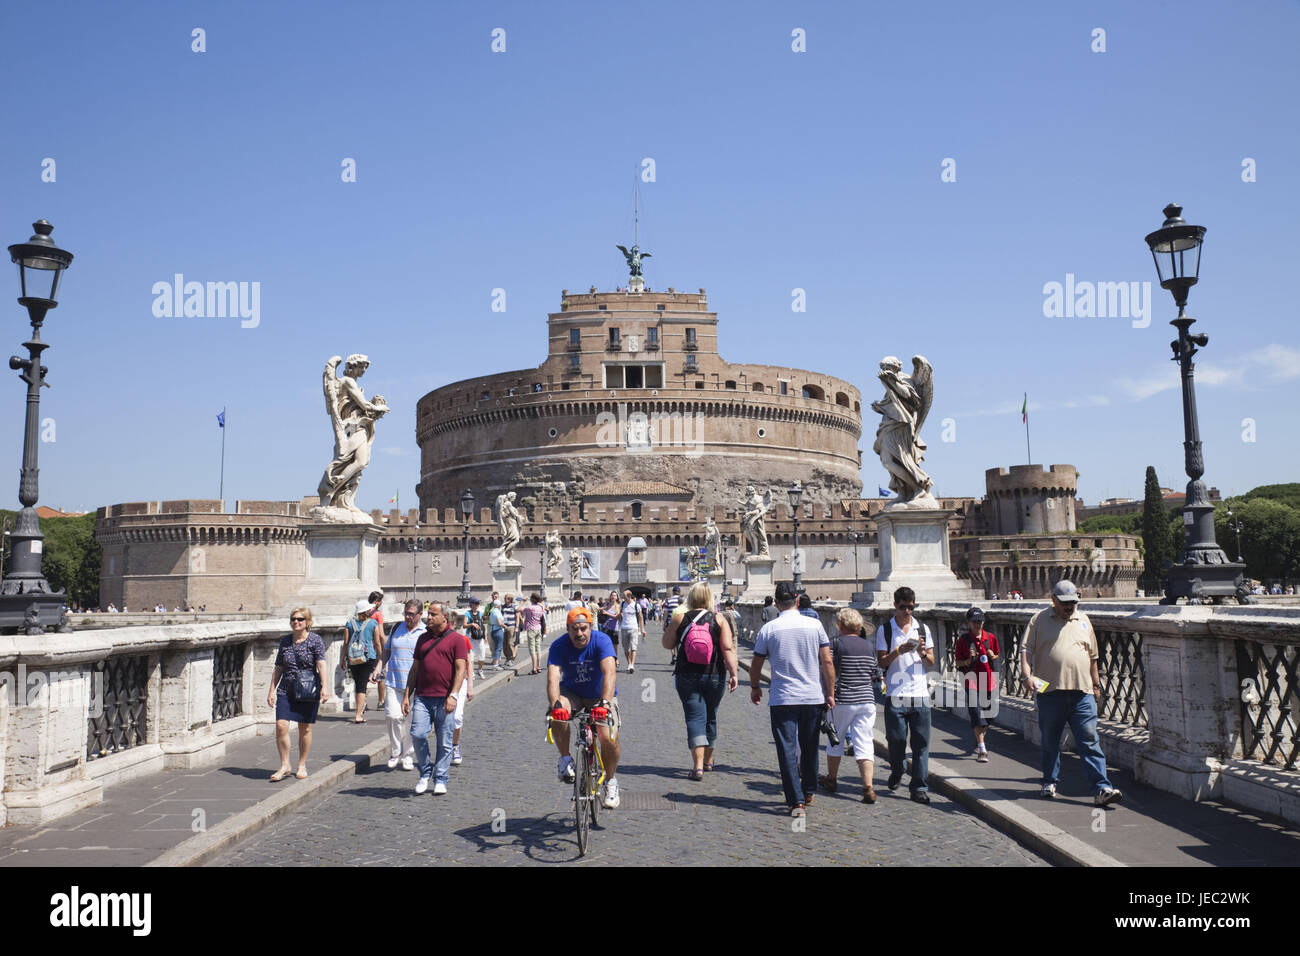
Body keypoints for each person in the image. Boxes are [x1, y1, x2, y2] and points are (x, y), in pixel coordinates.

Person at [1022, 580, 1122, 806]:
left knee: (1089, 741)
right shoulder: (1038, 620)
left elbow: (1093, 657)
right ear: (1053, 600)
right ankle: (1049, 780)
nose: (1070, 607)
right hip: (1049, 691)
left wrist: (1096, 686)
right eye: (1065, 603)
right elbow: (1026, 650)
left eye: (1073, 602)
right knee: (1050, 741)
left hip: (1082, 692)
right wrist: (1027, 675)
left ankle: (1101, 788)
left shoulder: (1083, 620)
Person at [749, 581, 834, 817]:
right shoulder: (815, 625)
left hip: (782, 698)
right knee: (809, 747)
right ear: (797, 601)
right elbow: (827, 661)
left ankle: (796, 802)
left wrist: (755, 687)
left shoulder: (769, 629)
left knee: (786, 749)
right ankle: (808, 790)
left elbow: (756, 663)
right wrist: (830, 692)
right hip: (812, 696)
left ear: (776, 604)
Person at [546, 606, 622, 809]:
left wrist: (605, 703)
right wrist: (556, 704)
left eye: (583, 628)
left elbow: (610, 673)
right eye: (574, 629)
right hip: (573, 694)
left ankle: (611, 781)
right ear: (567, 629)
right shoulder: (558, 645)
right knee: (557, 713)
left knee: (607, 738)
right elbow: (553, 677)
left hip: (600, 696)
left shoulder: (602, 641)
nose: (579, 633)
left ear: (590, 627)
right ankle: (564, 759)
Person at [664, 582, 739, 779]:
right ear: (709, 598)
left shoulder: (680, 617)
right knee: (711, 715)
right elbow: (728, 649)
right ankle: (708, 761)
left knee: (694, 717)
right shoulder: (719, 619)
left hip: (686, 674)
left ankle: (697, 767)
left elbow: (666, 644)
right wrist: (734, 673)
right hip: (714, 674)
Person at [402, 602, 467, 795]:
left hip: (444, 698)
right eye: (428, 614)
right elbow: (415, 669)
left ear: (444, 617)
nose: (428, 618)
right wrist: (407, 695)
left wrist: (454, 695)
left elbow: (460, 670)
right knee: (418, 734)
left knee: (445, 741)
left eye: (433, 614)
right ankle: (424, 773)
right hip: (422, 696)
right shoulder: (422, 639)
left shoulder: (456, 640)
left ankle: (440, 778)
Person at [876, 586, 934, 804]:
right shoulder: (886, 630)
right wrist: (898, 652)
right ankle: (898, 768)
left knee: (921, 744)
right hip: (896, 695)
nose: (908, 611)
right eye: (903, 607)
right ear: (895, 605)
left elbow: (931, 662)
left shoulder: (923, 629)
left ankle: (919, 787)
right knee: (897, 740)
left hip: (919, 694)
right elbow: (881, 662)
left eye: (911, 607)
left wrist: (922, 653)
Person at [819, 607, 879, 803]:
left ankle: (832, 779)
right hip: (867, 700)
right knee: (864, 742)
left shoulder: (835, 643)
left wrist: (828, 693)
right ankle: (868, 786)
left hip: (843, 699)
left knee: (834, 740)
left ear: (840, 625)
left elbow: (828, 668)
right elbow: (874, 672)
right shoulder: (868, 645)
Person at [267, 608, 329, 780]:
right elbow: (279, 666)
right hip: (286, 688)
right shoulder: (285, 641)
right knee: (281, 725)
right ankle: (285, 765)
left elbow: (321, 664)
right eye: (293, 619)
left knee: (305, 727)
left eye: (300, 619)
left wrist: (325, 687)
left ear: (307, 621)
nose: (296, 622)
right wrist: (271, 689)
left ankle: (302, 764)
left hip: (307, 688)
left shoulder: (315, 640)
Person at [377, 599, 422, 770]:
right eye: (406, 613)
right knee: (393, 717)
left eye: (411, 614)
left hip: (415, 684)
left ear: (420, 614)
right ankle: (396, 751)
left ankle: (408, 755)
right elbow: (387, 650)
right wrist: (379, 667)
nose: (408, 617)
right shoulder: (397, 628)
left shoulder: (425, 631)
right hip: (394, 680)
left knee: (412, 722)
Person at [953, 607, 1000, 762]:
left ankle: (978, 735)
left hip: (989, 681)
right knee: (976, 713)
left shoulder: (990, 637)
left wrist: (993, 655)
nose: (977, 624)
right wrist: (968, 660)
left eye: (980, 621)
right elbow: (958, 662)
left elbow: (997, 654)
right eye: (974, 621)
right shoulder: (963, 640)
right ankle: (982, 749)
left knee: (990, 715)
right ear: (969, 623)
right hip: (971, 680)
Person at [446, 610, 476, 765]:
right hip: (443, 682)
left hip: (461, 681)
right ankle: (444, 748)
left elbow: (469, 663)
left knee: (457, 717)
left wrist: (470, 685)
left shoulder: (463, 640)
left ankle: (455, 746)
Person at [344, 599, 380, 723]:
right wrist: (380, 658)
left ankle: (361, 706)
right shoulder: (373, 623)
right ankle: (358, 714)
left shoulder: (349, 623)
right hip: (367, 656)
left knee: (358, 683)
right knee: (362, 686)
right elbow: (377, 643)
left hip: (352, 657)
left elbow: (346, 643)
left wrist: (342, 659)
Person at [519, 592, 548, 674]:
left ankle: (534, 668)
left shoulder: (529, 608)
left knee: (532, 650)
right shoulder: (541, 608)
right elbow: (542, 606)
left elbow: (518, 609)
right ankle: (538, 667)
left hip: (531, 629)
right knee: (538, 649)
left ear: (532, 599)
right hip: (539, 629)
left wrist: (522, 601)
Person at [618, 588, 645, 673]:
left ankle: (632, 664)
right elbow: (620, 614)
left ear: (629, 596)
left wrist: (642, 629)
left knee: (633, 647)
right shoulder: (622, 604)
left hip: (633, 628)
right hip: (624, 628)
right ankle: (629, 663)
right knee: (626, 648)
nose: (623, 597)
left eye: (625, 596)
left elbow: (640, 617)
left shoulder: (636, 605)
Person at [368, 590, 387, 709]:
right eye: (380, 601)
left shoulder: (362, 613)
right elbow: (381, 634)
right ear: (376, 601)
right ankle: (381, 701)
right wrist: (386, 649)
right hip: (375, 648)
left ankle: (362, 703)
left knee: (364, 676)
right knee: (380, 673)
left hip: (364, 648)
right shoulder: (377, 614)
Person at [465, 598, 486, 679]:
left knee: (482, 656)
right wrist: (472, 624)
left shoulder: (480, 613)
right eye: (476, 603)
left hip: (480, 637)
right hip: (470, 638)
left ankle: (480, 670)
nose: (477, 605)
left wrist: (485, 636)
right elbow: (464, 625)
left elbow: (482, 625)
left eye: (478, 603)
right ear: (471, 604)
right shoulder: (467, 614)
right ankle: (472, 673)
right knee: (471, 657)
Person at [487, 598, 506, 670]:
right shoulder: (497, 612)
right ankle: (496, 664)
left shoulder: (493, 611)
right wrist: (505, 626)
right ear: (499, 605)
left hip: (493, 629)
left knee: (496, 647)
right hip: (498, 630)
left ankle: (496, 663)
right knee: (498, 647)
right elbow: (499, 622)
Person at [501, 593, 519, 666]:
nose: (505, 599)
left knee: (510, 643)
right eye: (505, 598)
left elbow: (517, 617)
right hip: (504, 627)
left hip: (512, 627)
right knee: (504, 644)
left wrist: (517, 627)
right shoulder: (502, 607)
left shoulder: (514, 606)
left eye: (506, 598)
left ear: (510, 599)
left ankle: (511, 658)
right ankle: (507, 658)